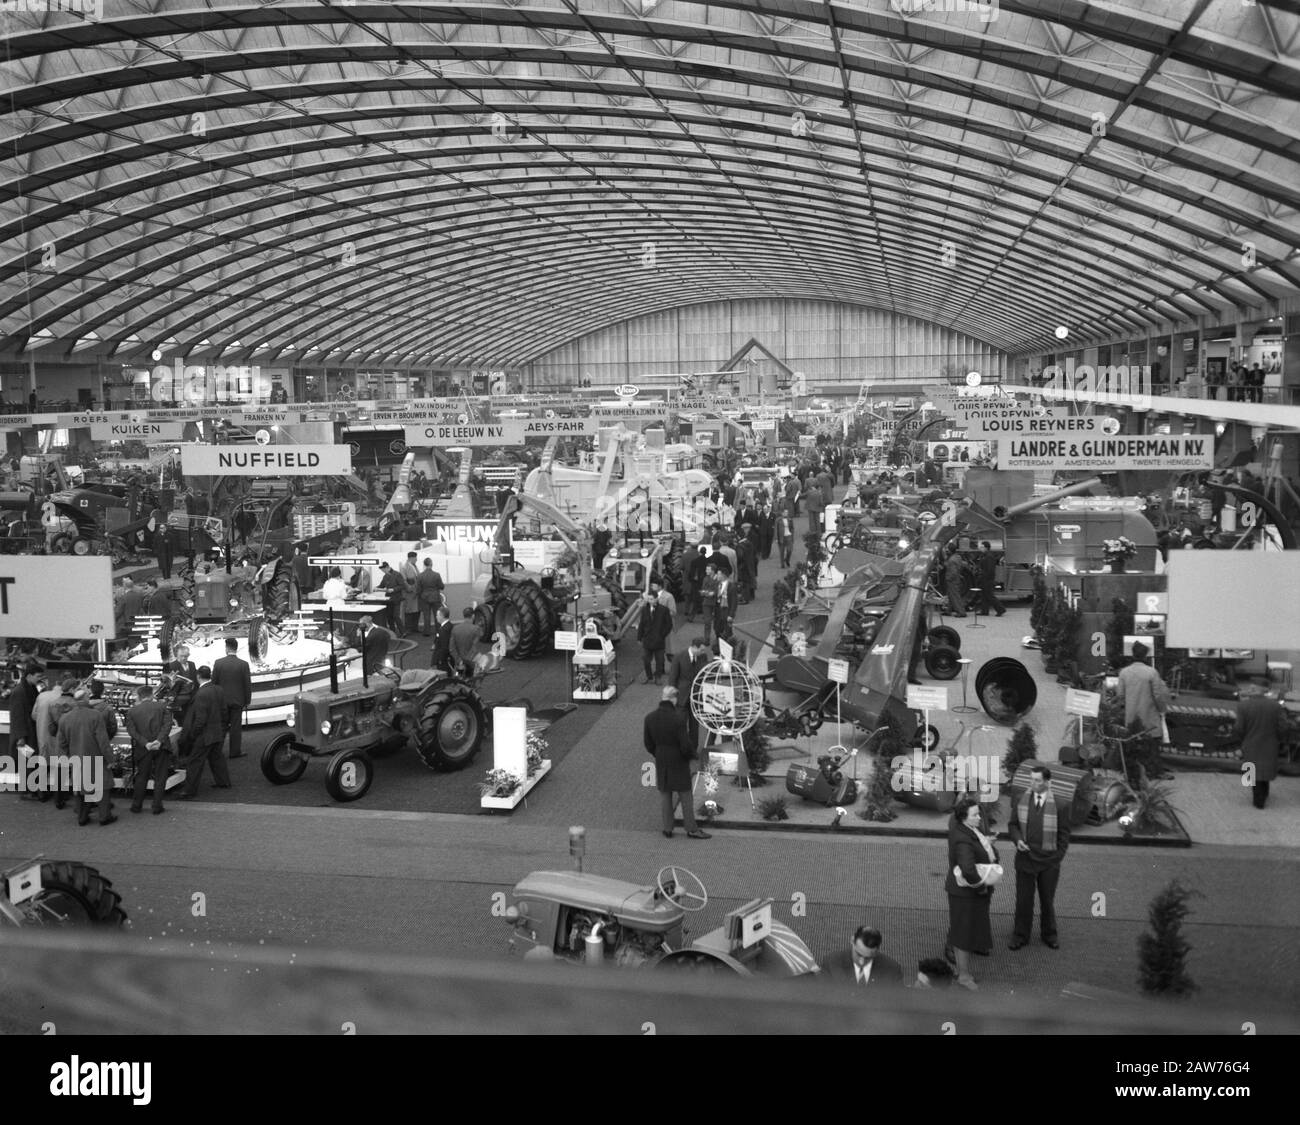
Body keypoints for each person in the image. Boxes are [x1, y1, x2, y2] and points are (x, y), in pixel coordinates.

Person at [1007, 765, 1069, 951]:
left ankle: (1049, 934)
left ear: (1048, 782)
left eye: (1037, 780)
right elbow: (1013, 825)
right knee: (1023, 900)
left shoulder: (1061, 804)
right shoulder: (1020, 799)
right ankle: (1020, 935)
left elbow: (1064, 835)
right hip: (1025, 859)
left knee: (1047, 900)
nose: (1032, 783)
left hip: (1049, 862)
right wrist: (1017, 840)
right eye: (1031, 779)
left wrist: (1057, 857)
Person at [944, 797, 999, 990]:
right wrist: (980, 885)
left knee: (964, 931)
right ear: (964, 817)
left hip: (963, 893)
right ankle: (963, 976)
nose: (979, 818)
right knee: (963, 935)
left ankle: (963, 972)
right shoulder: (962, 839)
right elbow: (967, 869)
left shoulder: (965, 830)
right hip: (965, 894)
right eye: (975, 815)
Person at [644, 686, 710, 840]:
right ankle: (691, 829)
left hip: (661, 758)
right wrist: (692, 756)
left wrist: (658, 753)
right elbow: (685, 745)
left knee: (665, 794)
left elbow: (648, 743)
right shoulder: (678, 719)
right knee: (685, 795)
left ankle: (667, 828)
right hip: (678, 760)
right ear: (674, 699)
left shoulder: (649, 718)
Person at [58, 688, 116, 826]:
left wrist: (67, 758)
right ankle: (104, 816)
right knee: (102, 786)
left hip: (76, 758)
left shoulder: (65, 718)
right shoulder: (95, 715)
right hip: (95, 756)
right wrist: (110, 759)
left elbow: (62, 743)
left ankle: (82, 817)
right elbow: (103, 741)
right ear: (86, 699)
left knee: (80, 787)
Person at [1115, 641, 1170, 778]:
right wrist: (1162, 710)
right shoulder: (1151, 672)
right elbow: (1158, 695)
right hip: (1149, 714)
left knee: (1133, 742)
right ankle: (1155, 771)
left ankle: (1132, 770)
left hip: (1131, 715)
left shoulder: (1124, 672)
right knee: (1152, 744)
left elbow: (1120, 696)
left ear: (1133, 654)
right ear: (1145, 656)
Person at [178, 665, 231, 799]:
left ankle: (189, 790)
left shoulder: (201, 694)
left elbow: (200, 720)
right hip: (218, 730)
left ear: (198, 677)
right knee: (216, 757)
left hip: (205, 734)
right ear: (210, 675)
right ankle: (223, 782)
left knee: (195, 761)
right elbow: (224, 711)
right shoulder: (219, 689)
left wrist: (193, 735)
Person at [125, 684, 174, 816]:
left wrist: (145, 743)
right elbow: (168, 724)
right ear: (151, 695)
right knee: (160, 776)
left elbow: (132, 731)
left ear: (139, 697)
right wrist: (159, 740)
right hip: (161, 746)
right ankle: (157, 805)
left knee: (142, 776)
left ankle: (137, 805)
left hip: (143, 748)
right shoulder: (162, 707)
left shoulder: (132, 711)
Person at [1235, 691, 1287, 809]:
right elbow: (1283, 727)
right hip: (1270, 744)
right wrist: (1279, 740)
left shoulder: (1243, 706)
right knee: (1265, 768)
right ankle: (1264, 794)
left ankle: (1258, 800)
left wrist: (1243, 739)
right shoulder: (1275, 706)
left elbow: (1238, 728)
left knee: (1251, 770)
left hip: (1250, 743)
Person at [668, 637, 712, 759]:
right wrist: (671, 698)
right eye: (702, 650)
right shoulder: (679, 657)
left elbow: (704, 672)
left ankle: (693, 750)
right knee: (680, 725)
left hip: (695, 698)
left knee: (694, 726)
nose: (703, 653)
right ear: (694, 647)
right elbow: (672, 678)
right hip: (681, 698)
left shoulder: (702, 657)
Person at [820, 926, 905, 989]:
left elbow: (899, 1004)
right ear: (852, 941)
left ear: (877, 950)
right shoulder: (832, 963)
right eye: (858, 954)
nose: (862, 961)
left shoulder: (892, 970)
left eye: (868, 958)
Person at [211, 637, 252, 760]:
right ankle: (235, 752)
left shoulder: (218, 663)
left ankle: (217, 752)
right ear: (236, 648)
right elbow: (247, 684)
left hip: (222, 701)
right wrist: (247, 700)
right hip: (237, 701)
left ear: (226, 648)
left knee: (222, 727)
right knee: (235, 728)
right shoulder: (243, 664)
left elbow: (214, 683)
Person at [636, 591, 673, 685]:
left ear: (657, 599)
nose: (649, 601)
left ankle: (658, 677)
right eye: (648, 599)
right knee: (646, 660)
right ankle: (649, 677)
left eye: (651, 599)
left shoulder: (664, 610)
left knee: (659, 661)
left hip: (659, 640)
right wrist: (639, 638)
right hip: (647, 640)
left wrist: (662, 635)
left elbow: (669, 625)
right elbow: (641, 624)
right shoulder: (644, 610)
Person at [416, 558, 445, 635]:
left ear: (424, 565)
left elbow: (418, 589)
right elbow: (441, 586)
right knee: (437, 615)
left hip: (424, 598)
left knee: (426, 615)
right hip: (435, 597)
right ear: (431, 564)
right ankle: (438, 631)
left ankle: (426, 632)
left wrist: (421, 595)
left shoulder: (420, 576)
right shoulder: (436, 575)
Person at [711, 560, 738, 645]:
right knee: (717, 629)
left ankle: (729, 646)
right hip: (718, 611)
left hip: (726, 611)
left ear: (724, 575)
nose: (717, 576)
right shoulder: (717, 584)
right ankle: (718, 644)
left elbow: (734, 602)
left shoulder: (731, 586)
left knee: (727, 631)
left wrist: (731, 615)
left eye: (718, 574)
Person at [449, 606, 482, 675]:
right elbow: (474, 647)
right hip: (472, 661)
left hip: (459, 661)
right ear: (473, 616)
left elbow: (452, 648)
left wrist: (459, 660)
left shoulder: (455, 628)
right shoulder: (476, 629)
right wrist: (468, 660)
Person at [976, 541, 1006, 617]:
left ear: (986, 548)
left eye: (982, 547)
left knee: (989, 595)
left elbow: (990, 570)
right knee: (984, 595)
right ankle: (984, 611)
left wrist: (984, 576)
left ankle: (1000, 609)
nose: (980, 548)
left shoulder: (989, 556)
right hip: (985, 578)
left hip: (988, 579)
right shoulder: (985, 555)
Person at [378, 562, 405, 635]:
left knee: (396, 616)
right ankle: (392, 633)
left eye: (383, 570)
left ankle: (403, 632)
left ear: (387, 567)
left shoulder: (397, 574)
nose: (383, 572)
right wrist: (376, 588)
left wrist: (393, 589)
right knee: (389, 616)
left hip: (396, 598)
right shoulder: (385, 576)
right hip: (388, 599)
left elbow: (402, 586)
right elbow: (381, 585)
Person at [943, 546, 968, 617]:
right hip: (957, 579)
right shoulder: (958, 557)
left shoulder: (951, 560)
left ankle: (961, 612)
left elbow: (953, 572)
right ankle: (948, 610)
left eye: (947, 550)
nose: (946, 551)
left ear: (950, 551)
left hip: (952, 580)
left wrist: (948, 578)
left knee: (955, 596)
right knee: (951, 596)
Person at [400, 551, 421, 634]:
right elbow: (404, 581)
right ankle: (408, 628)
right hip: (409, 593)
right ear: (411, 558)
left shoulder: (414, 566)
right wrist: (410, 589)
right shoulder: (404, 567)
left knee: (417, 610)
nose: (416, 559)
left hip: (416, 592)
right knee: (409, 611)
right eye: (415, 558)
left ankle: (415, 627)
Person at [679, 541, 699, 622]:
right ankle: (694, 610)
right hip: (696, 577)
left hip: (686, 576)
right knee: (695, 595)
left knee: (687, 595)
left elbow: (681, 566)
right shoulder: (699, 555)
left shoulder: (685, 555)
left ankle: (686, 610)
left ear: (690, 546)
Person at [430, 606, 454, 672]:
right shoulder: (449, 626)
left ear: (442, 616)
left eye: (437, 615)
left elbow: (444, 646)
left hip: (443, 661)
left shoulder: (444, 630)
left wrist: (439, 660)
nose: (436, 617)